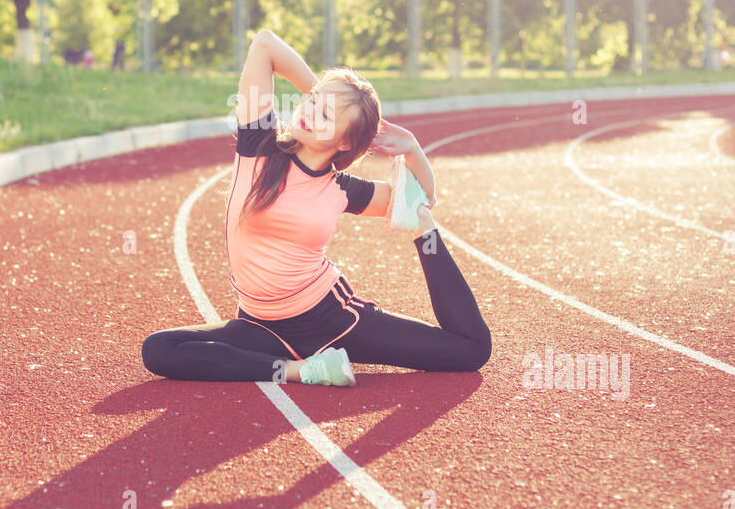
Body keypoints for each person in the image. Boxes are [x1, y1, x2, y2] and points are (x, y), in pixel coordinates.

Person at [141, 29, 491, 386]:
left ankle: (424, 240)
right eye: (312, 103)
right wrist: (323, 94)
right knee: (159, 349)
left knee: (470, 351)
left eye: (326, 117)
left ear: (345, 142)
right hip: (260, 326)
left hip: (332, 321)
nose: (309, 114)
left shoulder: (341, 189)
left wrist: (412, 148)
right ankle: (303, 370)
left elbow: (422, 201)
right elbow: (265, 44)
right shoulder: (258, 144)